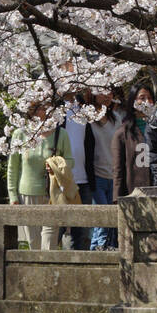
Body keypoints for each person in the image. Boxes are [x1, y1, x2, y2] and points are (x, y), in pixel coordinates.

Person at [7, 101, 74, 250]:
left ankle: (49, 272)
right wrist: (13, 196)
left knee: (49, 243)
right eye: (40, 108)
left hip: (53, 193)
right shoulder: (20, 134)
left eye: (48, 107)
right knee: (33, 243)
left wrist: (58, 165)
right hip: (28, 193)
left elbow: (70, 160)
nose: (44, 111)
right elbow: (13, 167)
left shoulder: (60, 134)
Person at [88, 87, 123, 250]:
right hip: (96, 176)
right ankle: (99, 256)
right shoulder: (86, 119)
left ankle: (95, 255)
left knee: (109, 223)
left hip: (113, 176)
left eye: (110, 92)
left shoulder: (116, 118)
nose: (108, 96)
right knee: (102, 221)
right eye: (102, 91)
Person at [113, 83, 156, 202]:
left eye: (150, 98)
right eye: (142, 98)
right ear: (133, 101)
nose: (147, 101)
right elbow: (118, 169)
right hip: (133, 192)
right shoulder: (122, 133)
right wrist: (117, 198)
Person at [63, 91, 94, 249]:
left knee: (81, 231)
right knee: (59, 228)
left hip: (84, 177)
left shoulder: (85, 108)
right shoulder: (56, 110)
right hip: (62, 179)